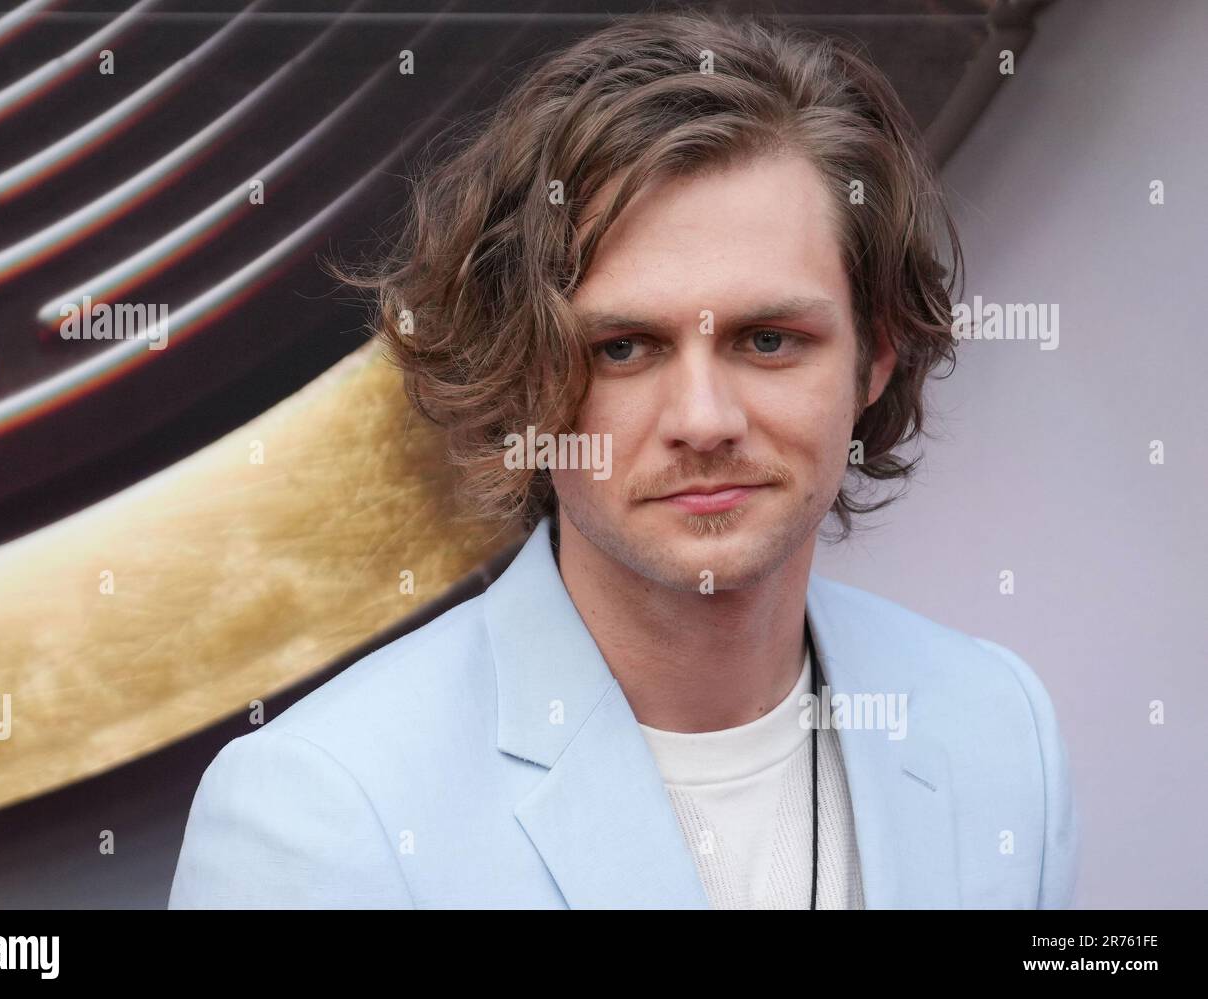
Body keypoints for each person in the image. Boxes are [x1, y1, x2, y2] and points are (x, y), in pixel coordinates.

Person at [170, 9, 1078, 909]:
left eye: (768, 340)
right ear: (520, 374)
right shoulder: (318, 810)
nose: (705, 420)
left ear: (875, 355)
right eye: (624, 348)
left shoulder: (999, 728)